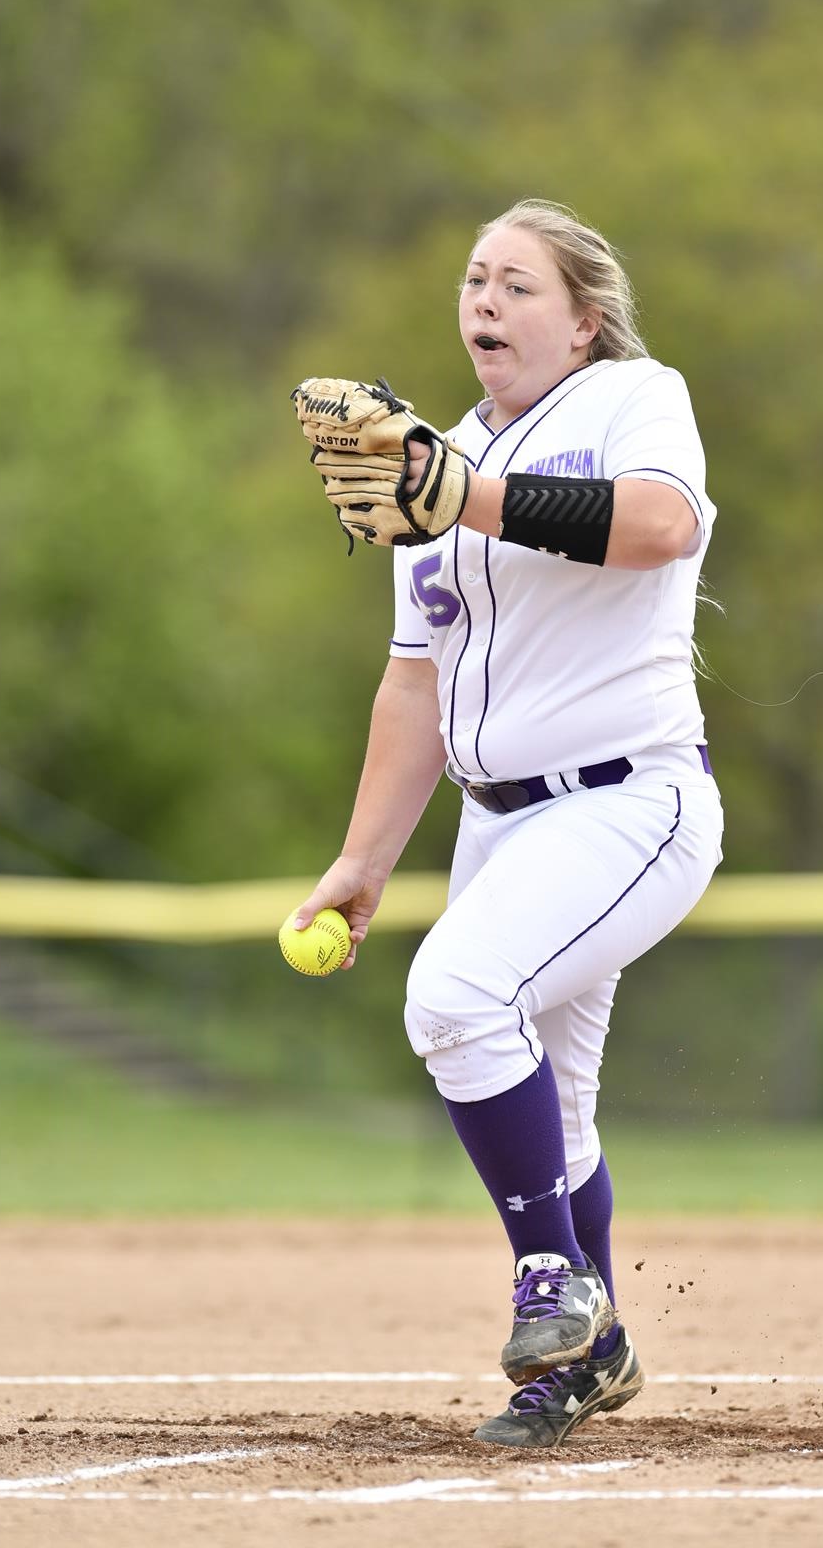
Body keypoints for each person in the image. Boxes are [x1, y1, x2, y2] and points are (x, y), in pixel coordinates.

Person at [291, 198, 724, 1448]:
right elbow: (412, 682)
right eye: (473, 280)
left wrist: (461, 492)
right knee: (560, 1107)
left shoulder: (634, 399)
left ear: (582, 320)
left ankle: (550, 1281)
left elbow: (658, 528)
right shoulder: (424, 462)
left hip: (627, 797)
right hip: (498, 820)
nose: (483, 299)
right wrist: (362, 858)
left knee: (455, 997)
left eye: (516, 284)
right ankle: (594, 1353)